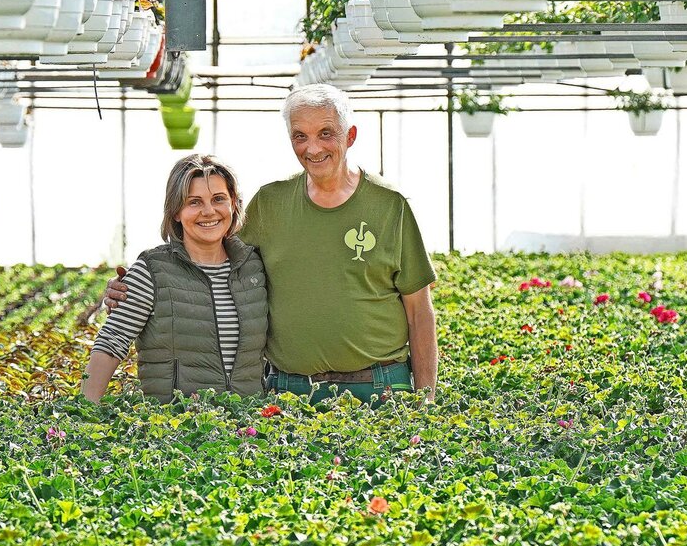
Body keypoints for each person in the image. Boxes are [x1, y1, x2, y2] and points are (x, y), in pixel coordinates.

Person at [107, 84, 439, 404]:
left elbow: (419, 313)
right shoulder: (270, 203)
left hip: (379, 387)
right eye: (300, 136)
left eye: (326, 133)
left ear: (350, 136)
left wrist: (427, 400)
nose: (313, 148)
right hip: (290, 390)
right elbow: (209, 255)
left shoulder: (389, 206)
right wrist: (137, 285)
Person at [83, 154, 268, 404]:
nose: (208, 211)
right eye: (194, 202)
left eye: (218, 199)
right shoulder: (152, 270)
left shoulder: (254, 267)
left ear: (233, 204)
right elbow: (112, 340)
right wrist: (84, 410)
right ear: (176, 212)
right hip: (176, 431)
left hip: (249, 430)